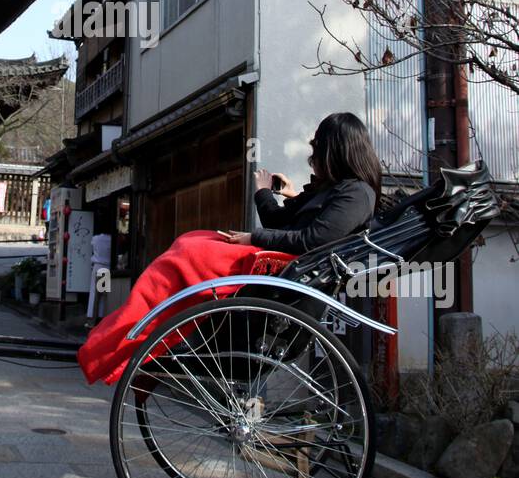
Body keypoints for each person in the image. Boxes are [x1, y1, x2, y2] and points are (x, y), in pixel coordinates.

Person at [77, 112, 382, 386]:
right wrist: (268, 193)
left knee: (191, 255)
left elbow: (313, 240)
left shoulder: (357, 194)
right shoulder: (331, 189)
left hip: (282, 266)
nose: (313, 159)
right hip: (275, 260)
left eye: (318, 151)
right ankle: (136, 332)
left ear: (336, 151)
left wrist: (254, 238)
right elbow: (280, 219)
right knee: (192, 240)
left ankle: (138, 336)